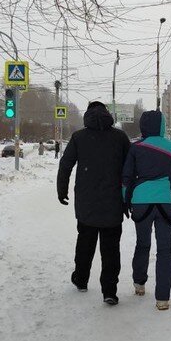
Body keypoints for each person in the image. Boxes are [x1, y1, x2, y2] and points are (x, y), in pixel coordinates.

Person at [57, 101, 131, 306]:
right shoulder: (120, 137)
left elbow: (66, 165)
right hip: (113, 202)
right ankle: (109, 291)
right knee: (111, 249)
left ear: (88, 114)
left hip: (86, 203)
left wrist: (61, 190)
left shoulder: (79, 137)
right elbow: (130, 167)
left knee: (85, 243)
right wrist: (130, 197)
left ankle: (81, 279)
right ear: (107, 114)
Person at [122, 110, 171, 311]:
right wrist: (165, 186)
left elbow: (126, 178)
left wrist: (125, 200)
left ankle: (139, 283)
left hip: (141, 202)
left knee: (143, 243)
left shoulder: (135, 148)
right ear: (162, 126)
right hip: (165, 201)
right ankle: (162, 298)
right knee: (165, 250)